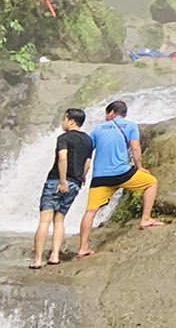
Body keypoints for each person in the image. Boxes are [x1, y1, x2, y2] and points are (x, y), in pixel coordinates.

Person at [76, 100, 163, 257]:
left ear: (111, 113)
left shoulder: (96, 130)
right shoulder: (130, 126)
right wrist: (139, 167)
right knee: (151, 182)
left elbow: (88, 157)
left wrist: (83, 175)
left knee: (90, 211)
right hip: (123, 173)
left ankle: (83, 248)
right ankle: (146, 218)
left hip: (100, 178)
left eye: (106, 113)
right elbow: (135, 147)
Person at [30, 108, 92, 268]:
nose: (62, 122)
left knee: (45, 220)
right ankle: (55, 256)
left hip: (57, 181)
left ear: (70, 120)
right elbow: (87, 162)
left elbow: (62, 157)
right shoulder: (88, 140)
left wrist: (63, 181)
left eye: (64, 119)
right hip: (75, 184)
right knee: (60, 220)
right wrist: (80, 178)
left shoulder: (63, 138)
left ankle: (37, 260)